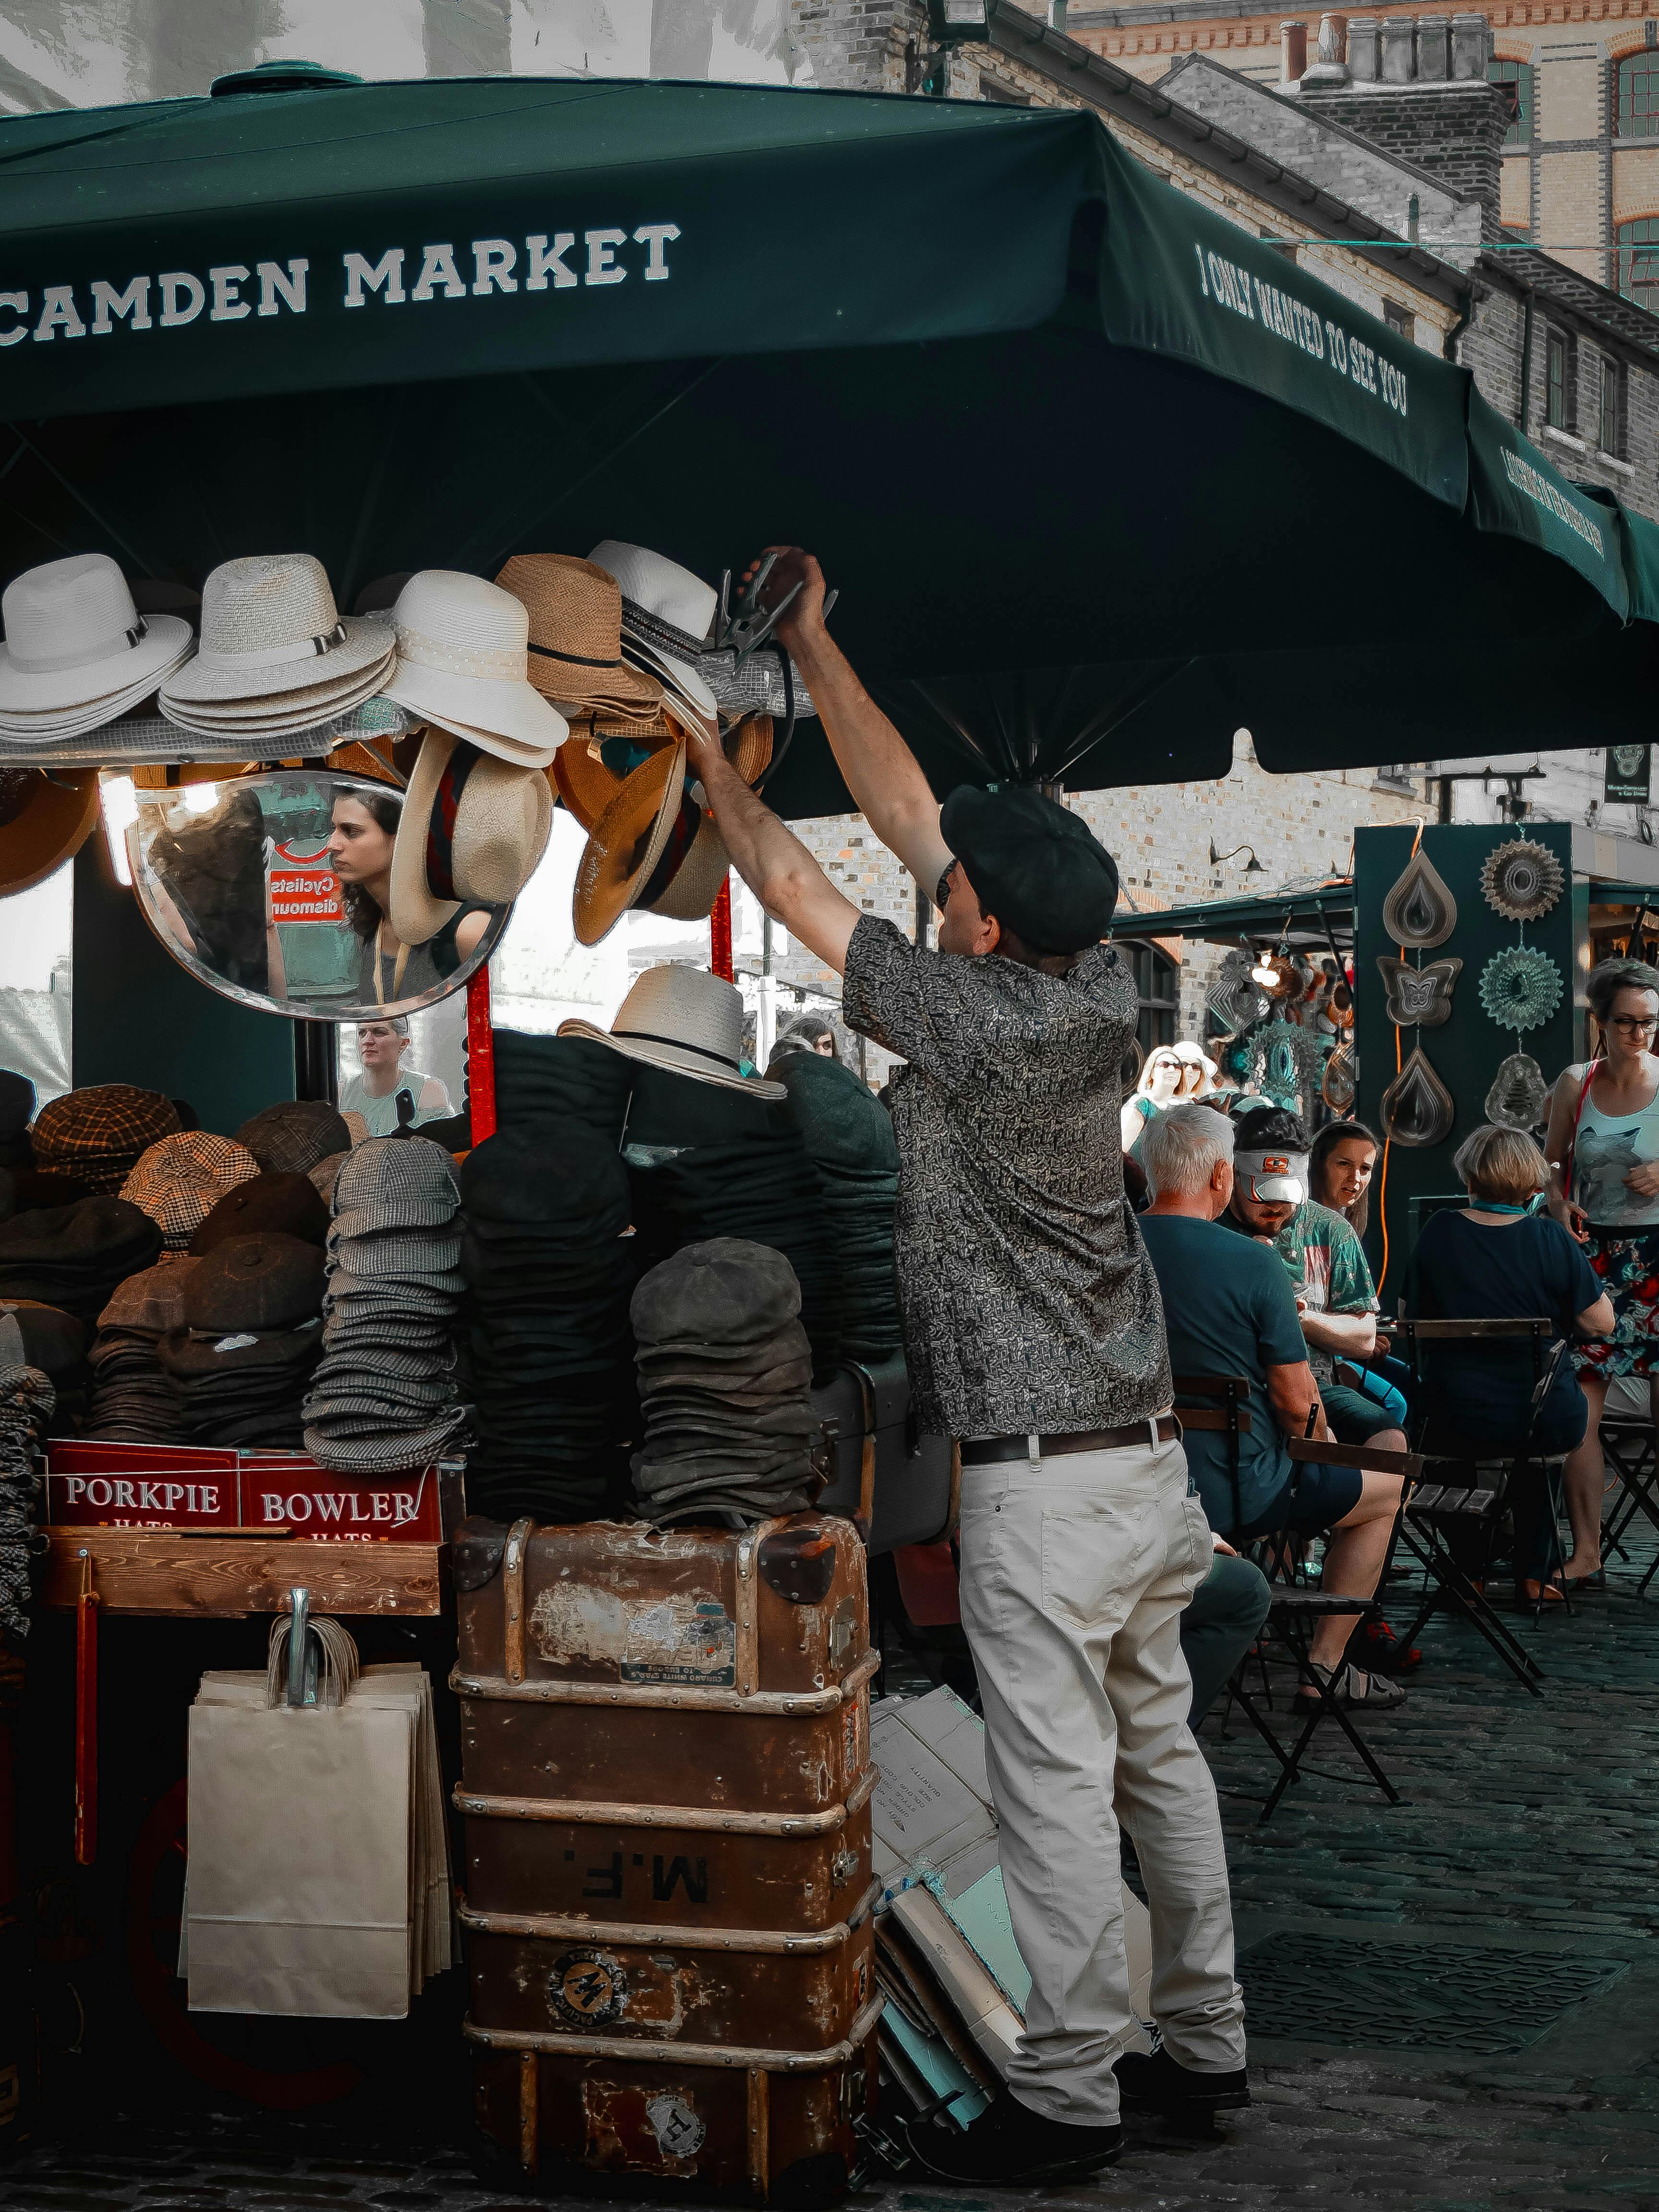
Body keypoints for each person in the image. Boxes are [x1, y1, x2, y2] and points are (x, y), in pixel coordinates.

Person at [686, 547, 1246, 2184]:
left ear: (983, 926)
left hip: (1047, 1487)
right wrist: (814, 641)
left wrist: (706, 762)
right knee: (1165, 1759)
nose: (933, 891)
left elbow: (801, 886)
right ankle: (1201, 2048)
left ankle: (1066, 2091)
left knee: (1056, 1784)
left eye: (949, 894)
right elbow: (920, 816)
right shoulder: (1092, 974)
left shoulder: (980, 1020)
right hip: (1142, 1474)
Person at [1138, 1102, 1407, 1709]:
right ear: (1219, 1175)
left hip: (1140, 1480)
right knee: (1390, 1489)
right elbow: (1296, 1406)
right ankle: (1326, 1666)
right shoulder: (1253, 1260)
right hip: (1237, 1485)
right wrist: (1327, 1458)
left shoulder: (1111, 1250)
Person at [1412, 1124, 1612, 1604]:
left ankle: (1470, 1569)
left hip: (1454, 1417)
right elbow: (1601, 1323)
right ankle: (1534, 1573)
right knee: (1536, 1441)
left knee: (1443, 1431)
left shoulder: (1438, 1231)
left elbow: (1408, 1321)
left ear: (1470, 1180)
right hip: (1538, 1418)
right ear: (1530, 1187)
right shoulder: (1550, 1239)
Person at [1545, 957, 1659, 1583]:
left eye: (1650, 1023)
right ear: (1602, 1022)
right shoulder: (1576, 1084)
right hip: (1593, 1258)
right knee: (1580, 1406)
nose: (1640, 1035)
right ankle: (1587, 1551)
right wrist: (1559, 1202)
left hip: (1658, 1257)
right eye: (1627, 1022)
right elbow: (1549, 1162)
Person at [1221, 1106, 1407, 1462]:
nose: (1275, 1205)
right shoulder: (1213, 1226)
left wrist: (1300, 1318)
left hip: (1318, 1387)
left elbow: (1365, 1337)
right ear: (1232, 1174)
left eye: (1286, 1193)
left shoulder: (1331, 1229)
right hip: (1236, 1392)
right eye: (1261, 1191)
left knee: (1390, 1441)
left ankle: (1358, 1508)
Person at [327, 787, 492, 1005]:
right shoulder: (371, 930)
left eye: (351, 832)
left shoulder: (468, 931)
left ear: (400, 838)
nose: (332, 844)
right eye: (334, 829)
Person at [338, 1017, 450, 1135]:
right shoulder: (340, 1094)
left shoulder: (427, 1092)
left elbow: (437, 1150)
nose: (368, 1040)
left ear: (402, 1044)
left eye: (379, 1032)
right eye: (362, 1033)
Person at [1120, 1044, 1183, 1160]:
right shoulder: (1141, 1104)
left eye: (1177, 1065)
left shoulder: (1184, 1108)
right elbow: (1122, 1149)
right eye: (1165, 1065)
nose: (1172, 1069)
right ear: (1152, 1072)